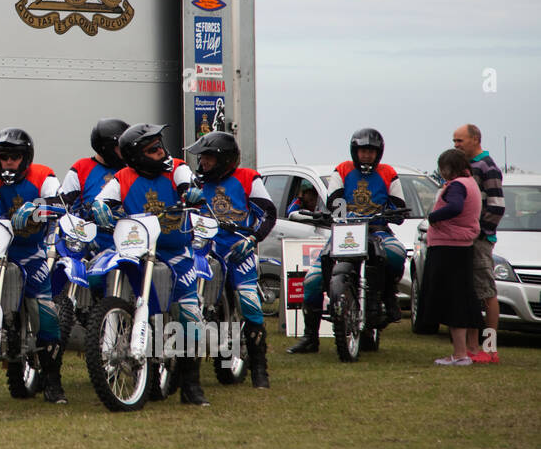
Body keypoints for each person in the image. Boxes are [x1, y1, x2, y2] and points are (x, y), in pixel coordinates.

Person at [93, 123, 209, 406]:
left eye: (160, 145)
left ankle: (191, 384)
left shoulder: (177, 168)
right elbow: (100, 200)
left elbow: (188, 184)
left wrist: (191, 193)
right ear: (136, 156)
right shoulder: (123, 176)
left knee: (189, 314)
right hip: (138, 250)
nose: (160, 151)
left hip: (176, 252)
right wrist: (99, 209)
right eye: (152, 149)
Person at [288, 127, 409, 354]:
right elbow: (334, 201)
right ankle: (310, 337)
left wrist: (394, 214)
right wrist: (343, 216)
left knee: (397, 253)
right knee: (312, 282)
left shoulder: (389, 173)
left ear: (379, 153)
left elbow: (399, 206)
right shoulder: (342, 170)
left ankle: (388, 295)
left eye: (371, 151)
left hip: (377, 231)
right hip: (345, 232)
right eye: (363, 151)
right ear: (355, 151)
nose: (367, 155)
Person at [0, 127, 66, 404]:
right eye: (3, 157)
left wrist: (36, 206)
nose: (8, 162)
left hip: (31, 253)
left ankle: (53, 381)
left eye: (14, 157)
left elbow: (62, 204)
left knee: (45, 314)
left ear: (25, 157)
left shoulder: (44, 175)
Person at [185, 131, 277, 388]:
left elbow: (268, 213)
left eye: (207, 158)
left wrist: (252, 239)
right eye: (201, 158)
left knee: (249, 301)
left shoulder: (248, 178)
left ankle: (259, 369)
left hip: (237, 247)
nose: (202, 163)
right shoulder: (196, 182)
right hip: (203, 247)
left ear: (223, 159)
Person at [452, 124, 506, 363]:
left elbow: (496, 206)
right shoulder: (466, 167)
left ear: (475, 139)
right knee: (470, 293)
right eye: (454, 141)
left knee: (487, 292)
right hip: (465, 239)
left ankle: (491, 348)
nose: (456, 145)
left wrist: (479, 233)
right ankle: (473, 348)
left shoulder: (488, 167)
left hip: (480, 240)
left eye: (460, 141)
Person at [424, 148, 482, 365]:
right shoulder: (471, 183)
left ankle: (459, 354)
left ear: (448, 168)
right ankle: (472, 349)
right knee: (466, 297)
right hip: (463, 246)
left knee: (453, 300)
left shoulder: (457, 185)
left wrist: (433, 217)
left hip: (448, 247)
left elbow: (456, 207)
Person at [62, 118, 128, 255]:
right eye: (120, 147)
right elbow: (63, 206)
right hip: (89, 243)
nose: (126, 152)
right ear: (107, 148)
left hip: (129, 242)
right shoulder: (81, 168)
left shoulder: (132, 169)